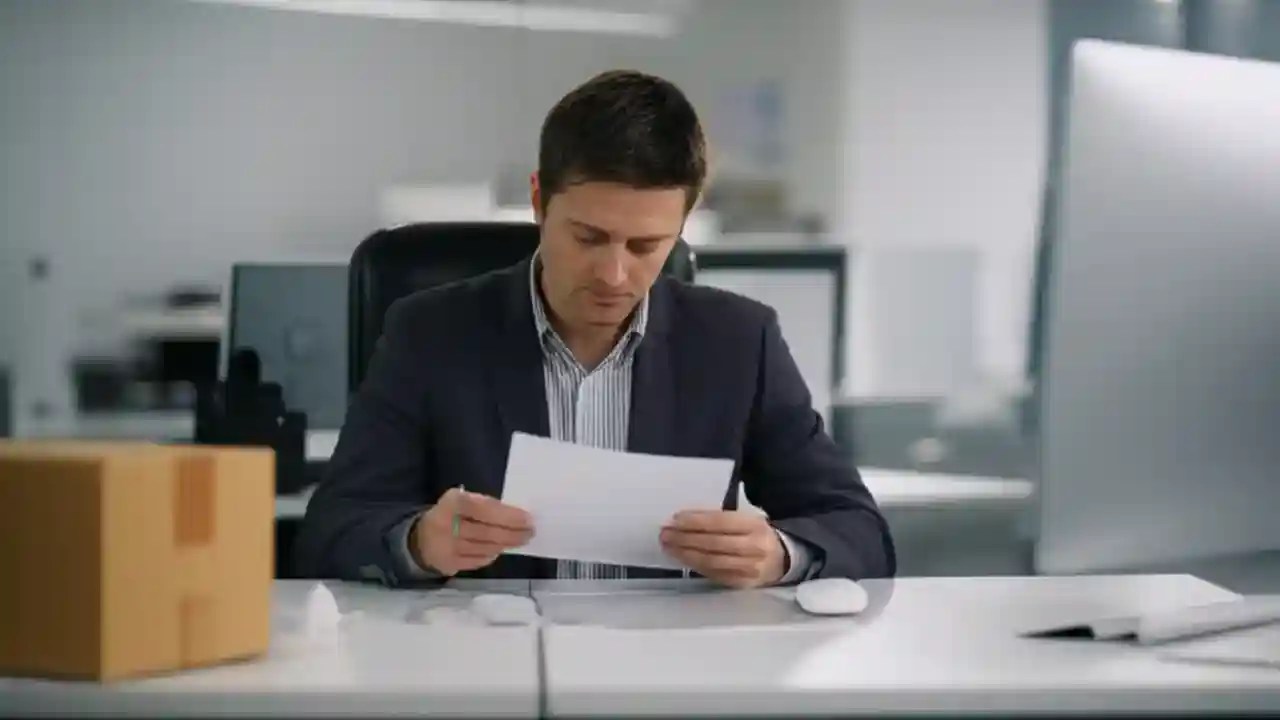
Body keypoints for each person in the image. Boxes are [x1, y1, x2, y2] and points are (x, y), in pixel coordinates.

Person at [294, 70, 895, 588]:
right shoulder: (429, 333)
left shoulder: (740, 341)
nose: (613, 274)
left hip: (667, 662)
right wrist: (419, 542)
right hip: (485, 657)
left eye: (646, 246)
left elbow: (858, 529)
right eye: (588, 238)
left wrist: (780, 555)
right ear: (539, 201)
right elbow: (329, 532)